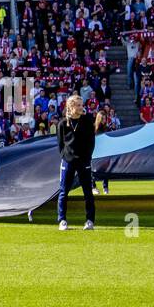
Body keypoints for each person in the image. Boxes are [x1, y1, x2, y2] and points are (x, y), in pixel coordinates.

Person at [56, 95, 100, 231]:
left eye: (82, 105)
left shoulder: (87, 121)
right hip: (68, 162)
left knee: (88, 192)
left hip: (84, 161)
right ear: (71, 107)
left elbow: (91, 142)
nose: (82, 107)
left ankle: (89, 221)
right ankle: (62, 220)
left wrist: (87, 158)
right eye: (79, 105)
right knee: (64, 191)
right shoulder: (62, 123)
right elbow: (60, 145)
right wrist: (65, 156)